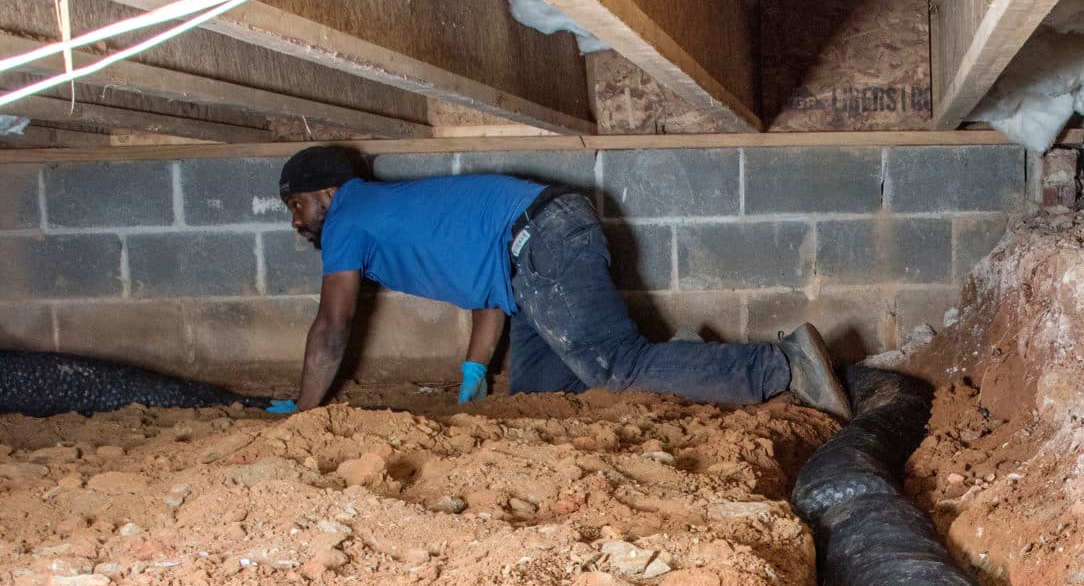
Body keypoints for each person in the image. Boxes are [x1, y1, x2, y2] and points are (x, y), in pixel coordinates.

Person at [268, 145, 852, 418]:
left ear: (327, 193)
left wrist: (305, 408)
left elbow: (332, 325)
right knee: (540, 400)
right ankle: (688, 363)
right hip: (530, 257)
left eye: (297, 206)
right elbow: (490, 294)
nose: (296, 222)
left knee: (614, 367)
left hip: (541, 239)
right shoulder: (382, 210)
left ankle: (781, 365)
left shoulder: (347, 216)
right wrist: (474, 373)